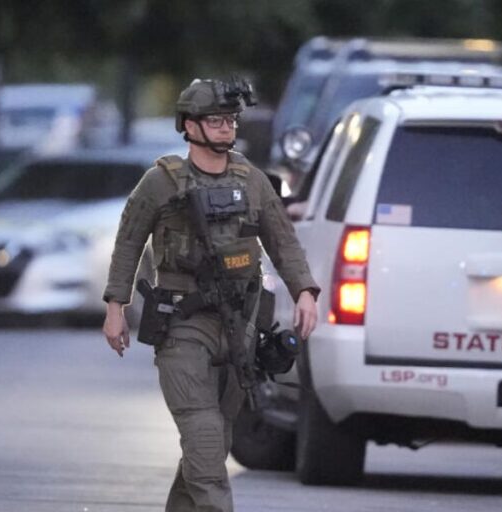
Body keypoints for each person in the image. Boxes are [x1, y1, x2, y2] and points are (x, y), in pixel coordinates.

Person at [101, 77, 319, 512]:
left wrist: (305, 291)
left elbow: (282, 240)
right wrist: (116, 306)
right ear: (189, 125)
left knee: (213, 443)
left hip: (240, 327)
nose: (225, 128)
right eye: (215, 120)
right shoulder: (160, 183)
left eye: (230, 120)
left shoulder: (252, 181)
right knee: (203, 435)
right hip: (183, 326)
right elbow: (128, 242)